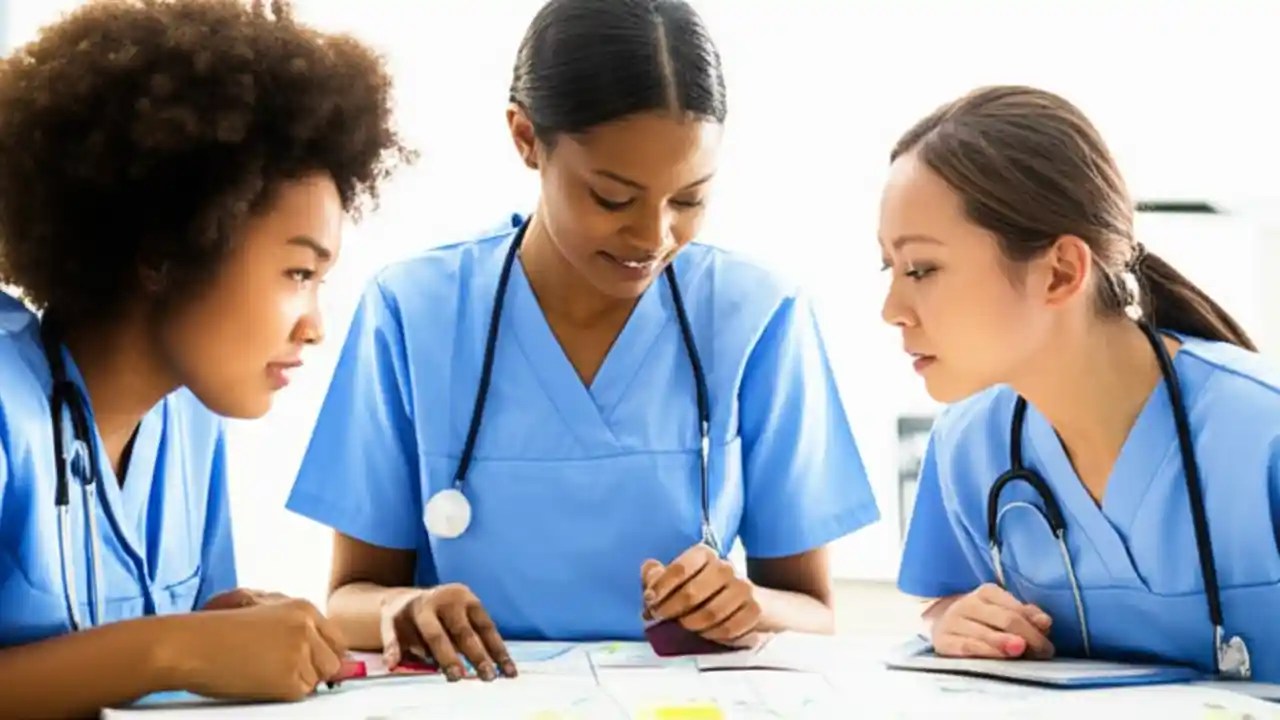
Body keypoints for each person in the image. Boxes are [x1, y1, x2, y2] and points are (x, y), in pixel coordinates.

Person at [286, 0, 879, 683]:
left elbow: (812, 611)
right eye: (612, 197)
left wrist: (747, 606)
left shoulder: (760, 316)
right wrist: (406, 607)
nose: (653, 236)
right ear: (525, 137)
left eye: (688, 200)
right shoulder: (411, 310)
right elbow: (349, 599)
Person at [0, 0, 411, 714]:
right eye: (297, 274)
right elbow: (157, 652)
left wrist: (222, 630)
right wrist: (171, 647)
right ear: (165, 251)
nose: (315, 326)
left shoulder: (186, 421)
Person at [881, 85, 1279, 681]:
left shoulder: (1261, 434)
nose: (892, 308)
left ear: (1061, 272)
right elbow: (943, 602)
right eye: (890, 268)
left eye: (921, 269)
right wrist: (951, 621)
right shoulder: (969, 445)